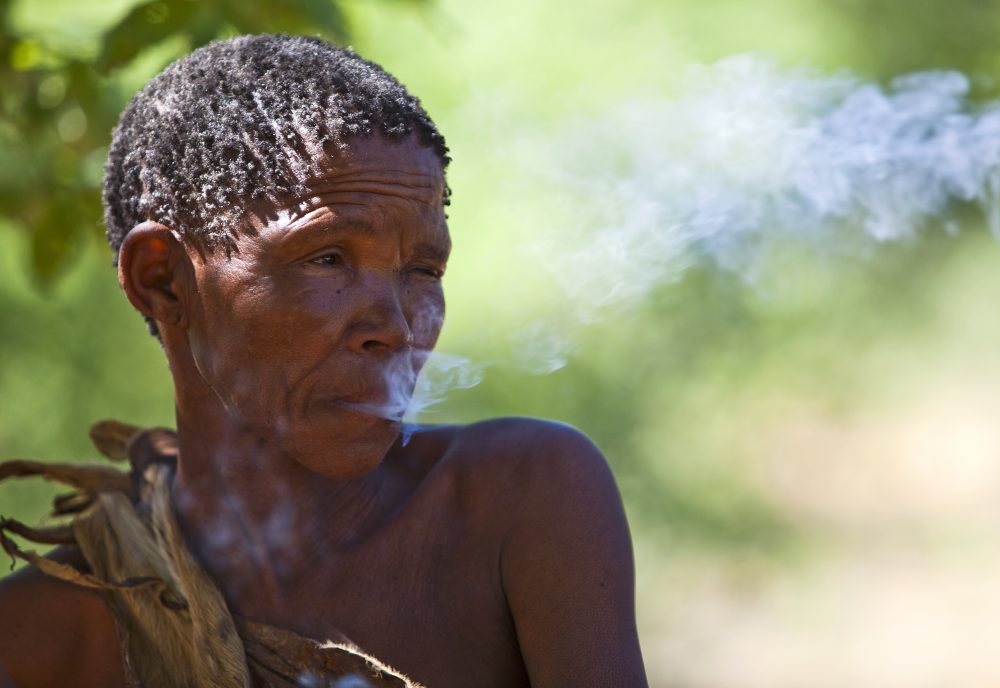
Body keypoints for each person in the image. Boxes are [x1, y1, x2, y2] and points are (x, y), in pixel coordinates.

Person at [0, 34, 648, 688]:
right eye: (328, 258)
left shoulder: (517, 502)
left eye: (423, 270)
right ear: (165, 280)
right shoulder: (43, 634)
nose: (395, 328)